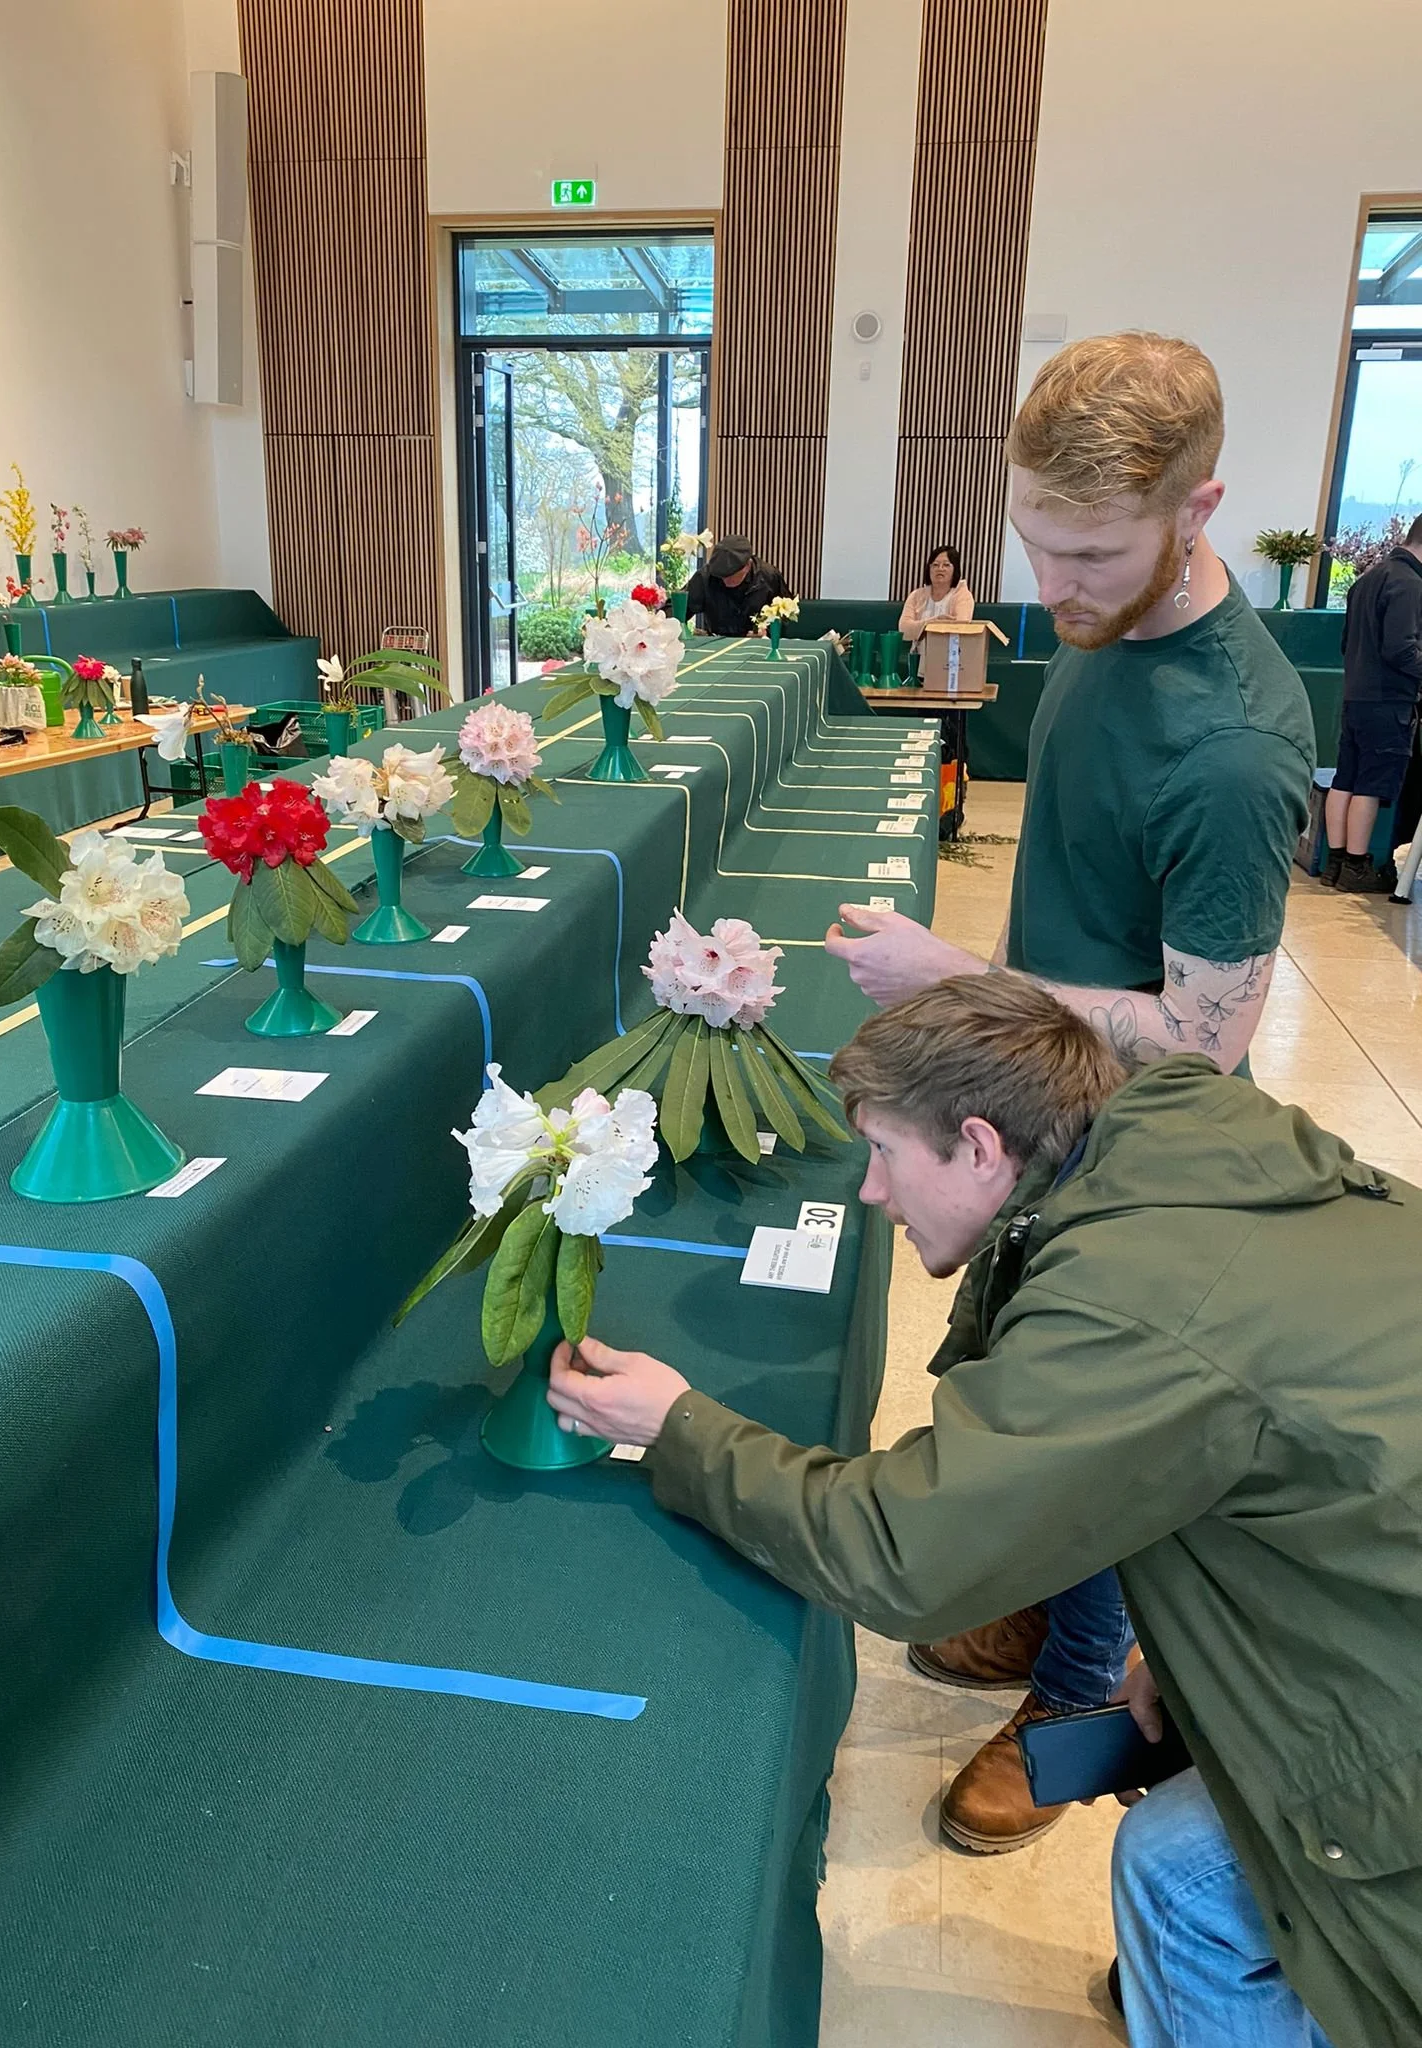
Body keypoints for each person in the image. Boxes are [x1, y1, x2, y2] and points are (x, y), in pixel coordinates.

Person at [546, 974, 1422, 2048]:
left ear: (978, 1143)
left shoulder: (1134, 1297)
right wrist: (1203, 1657)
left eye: (885, 1153)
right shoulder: (1186, 1153)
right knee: (1176, 1871)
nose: (872, 1191)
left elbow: (902, 1549)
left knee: (1195, 1886)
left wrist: (679, 1423)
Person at [816, 333, 1317, 1854]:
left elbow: (1206, 1040)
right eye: (1035, 539)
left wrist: (966, 981)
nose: (1056, 585)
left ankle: (1085, 1690)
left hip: (1144, 1147)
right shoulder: (1107, 631)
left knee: (1087, 1436)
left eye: (1091, 551)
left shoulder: (1230, 750)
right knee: (1012, 1379)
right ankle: (1047, 1624)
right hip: (1055, 1111)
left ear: (1201, 505)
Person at [1321, 515, 1422, 893]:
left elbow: (1347, 643)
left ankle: (1334, 863)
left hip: (1356, 695)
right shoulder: (1410, 584)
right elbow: (1402, 649)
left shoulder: (1368, 579)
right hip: (1389, 699)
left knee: (1344, 779)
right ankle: (1357, 868)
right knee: (1371, 785)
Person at [681, 534, 792, 638]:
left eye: (731, 576)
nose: (725, 581)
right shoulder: (706, 576)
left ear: (747, 566)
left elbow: (788, 615)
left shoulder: (768, 576)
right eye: (722, 576)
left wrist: (767, 630)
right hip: (716, 643)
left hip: (758, 645)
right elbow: (677, 609)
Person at [897, 542, 975, 643]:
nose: (940, 569)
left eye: (946, 565)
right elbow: (904, 630)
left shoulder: (963, 596)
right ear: (929, 569)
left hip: (950, 655)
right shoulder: (916, 596)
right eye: (935, 565)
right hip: (919, 655)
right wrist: (933, 623)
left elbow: (960, 629)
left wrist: (922, 627)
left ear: (955, 569)